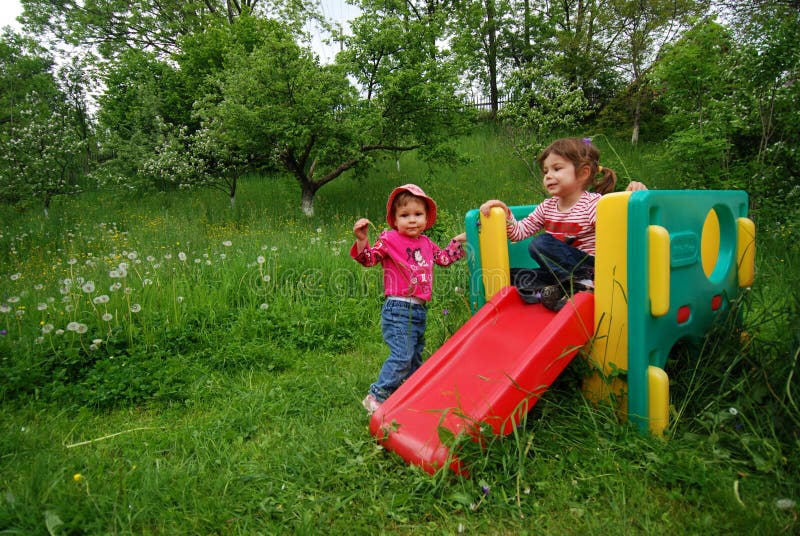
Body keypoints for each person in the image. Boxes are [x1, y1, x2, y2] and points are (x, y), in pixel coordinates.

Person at [480, 137, 647, 312]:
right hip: (560, 274)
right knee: (513, 275)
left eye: (557, 169)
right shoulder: (547, 207)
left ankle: (584, 284)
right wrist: (505, 213)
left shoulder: (594, 205)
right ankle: (558, 293)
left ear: (583, 173)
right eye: (545, 172)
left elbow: (617, 231)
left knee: (540, 243)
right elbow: (518, 233)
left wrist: (629, 199)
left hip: (592, 270)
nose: (548, 176)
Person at [352, 184, 466, 415]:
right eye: (405, 215)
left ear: (427, 217)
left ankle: (414, 393)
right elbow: (369, 259)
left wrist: (458, 241)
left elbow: (443, 259)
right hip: (398, 308)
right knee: (402, 355)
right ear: (395, 219)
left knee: (414, 357)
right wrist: (363, 241)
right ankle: (377, 395)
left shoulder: (426, 243)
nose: (412, 220)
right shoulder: (389, 239)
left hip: (419, 310)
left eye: (418, 214)